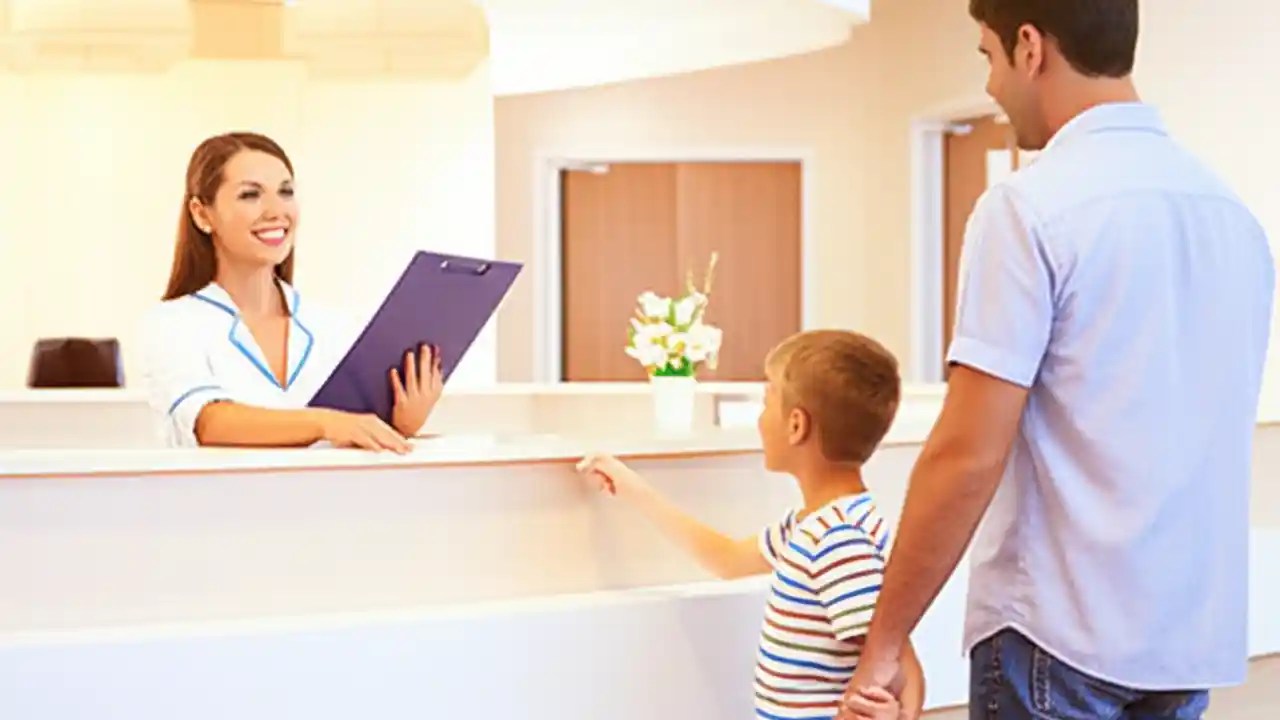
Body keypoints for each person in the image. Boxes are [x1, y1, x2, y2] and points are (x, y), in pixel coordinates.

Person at [842, 1, 1275, 719]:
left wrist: (885, 640)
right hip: (1183, 642)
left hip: (1056, 639)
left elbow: (966, 456)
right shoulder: (1233, 219)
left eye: (987, 56)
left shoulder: (1028, 208)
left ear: (1031, 47)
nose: (989, 86)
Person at [578, 330, 926, 720]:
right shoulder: (811, 526)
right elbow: (727, 559)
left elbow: (893, 657)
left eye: (766, 402)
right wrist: (632, 488)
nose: (759, 419)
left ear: (796, 426)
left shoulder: (837, 539)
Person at [139, 132, 442, 452]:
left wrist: (401, 425)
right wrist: (328, 422)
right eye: (250, 195)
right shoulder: (171, 324)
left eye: (286, 192)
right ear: (202, 214)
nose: (275, 211)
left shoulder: (335, 327)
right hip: (221, 502)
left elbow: (353, 438)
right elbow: (210, 423)